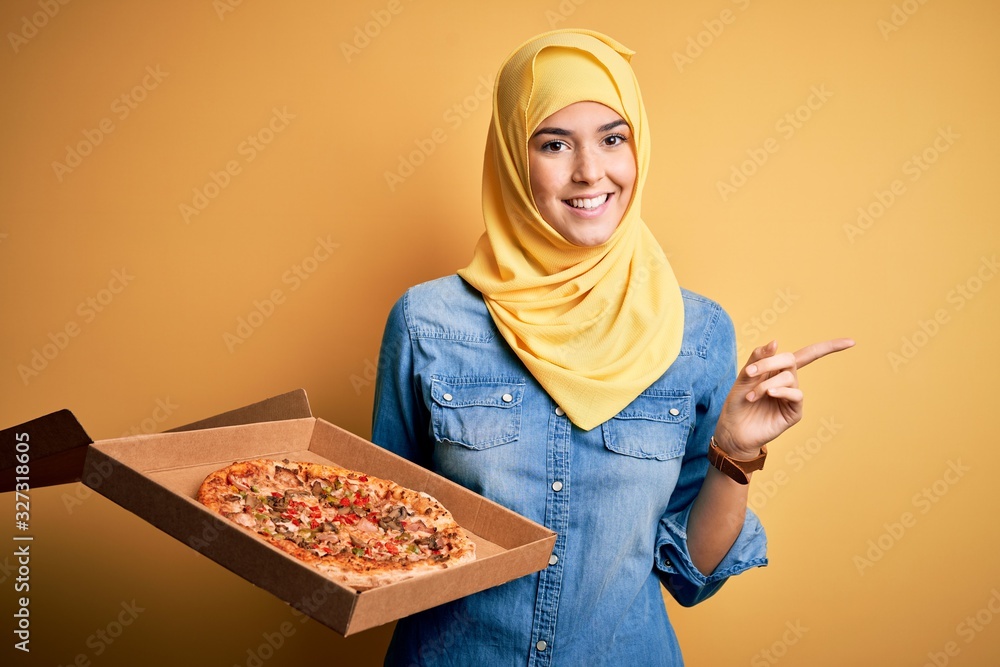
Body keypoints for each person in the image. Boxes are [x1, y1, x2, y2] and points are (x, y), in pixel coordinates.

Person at [372, 29, 853, 666]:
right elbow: (376, 540)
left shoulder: (697, 333)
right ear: (514, 162)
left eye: (612, 137)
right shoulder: (428, 322)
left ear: (638, 148)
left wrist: (737, 453)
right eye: (553, 143)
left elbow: (692, 574)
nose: (590, 171)